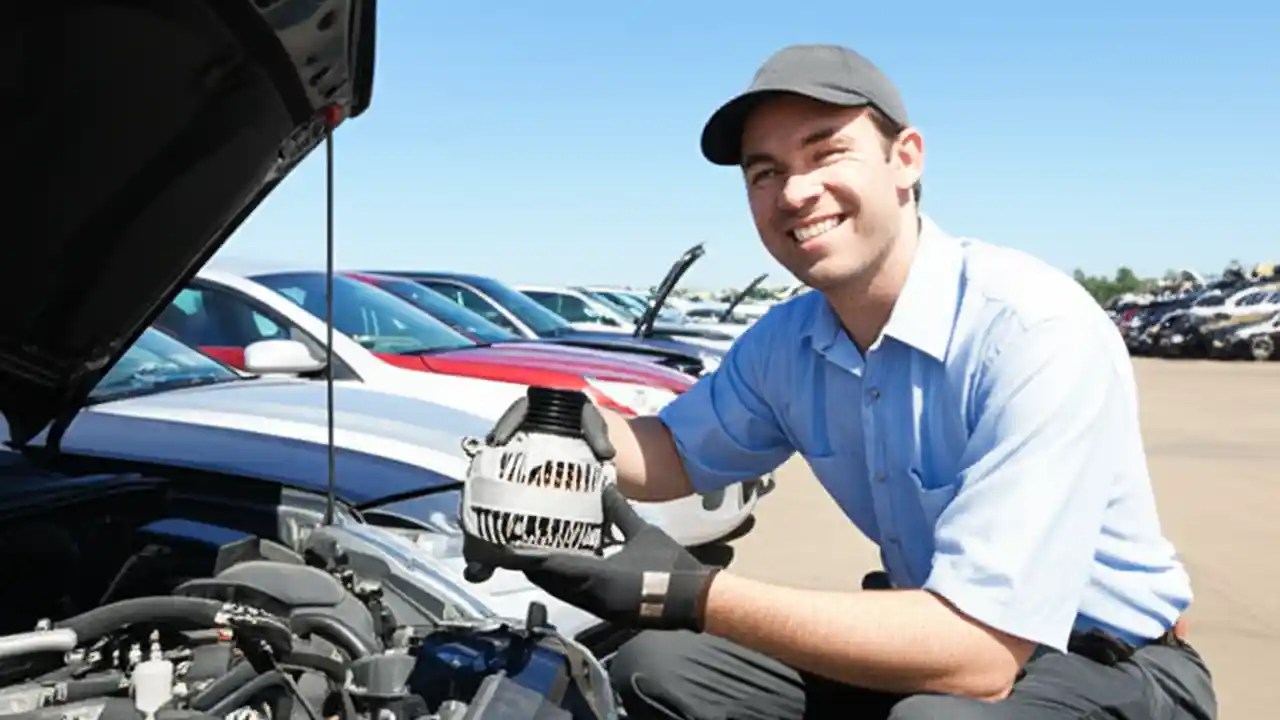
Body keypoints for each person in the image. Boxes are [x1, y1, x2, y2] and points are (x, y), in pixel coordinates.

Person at [463, 44, 1217, 719]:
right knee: (656, 669)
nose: (795, 193)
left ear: (906, 159)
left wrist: (684, 591)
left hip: (1109, 666)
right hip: (935, 636)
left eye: (827, 154)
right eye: (766, 173)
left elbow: (980, 659)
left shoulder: (1028, 330)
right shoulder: (789, 342)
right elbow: (676, 455)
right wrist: (564, 428)